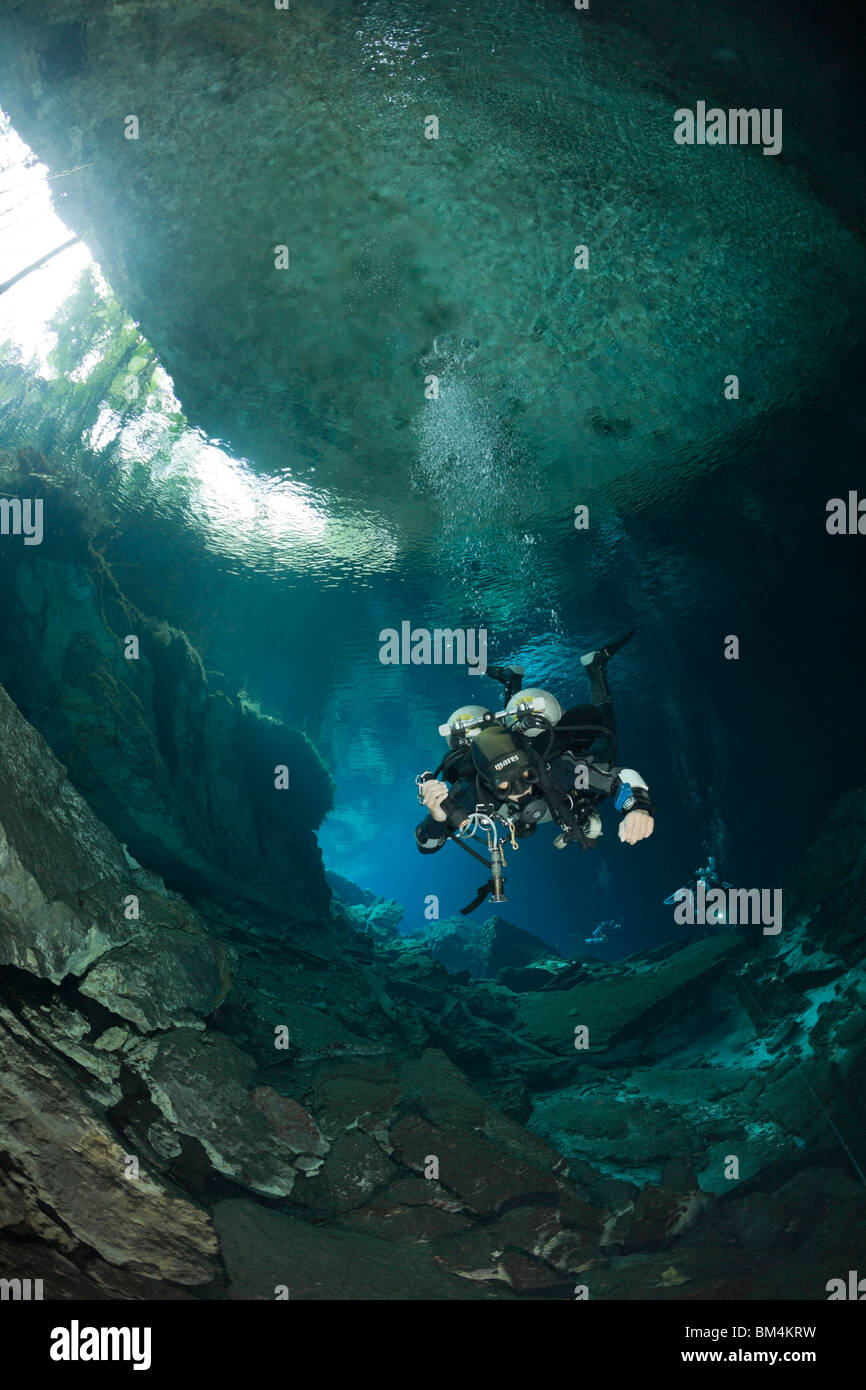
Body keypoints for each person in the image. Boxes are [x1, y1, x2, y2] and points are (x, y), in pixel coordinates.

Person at [415, 630, 655, 855]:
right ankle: (512, 680)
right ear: (487, 782)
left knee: (606, 743)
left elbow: (617, 776)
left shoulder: (558, 769)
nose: (521, 791)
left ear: (533, 763)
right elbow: (427, 844)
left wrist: (637, 807)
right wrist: (437, 816)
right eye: (504, 787)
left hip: (555, 758)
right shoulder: (473, 792)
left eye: (527, 776)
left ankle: (596, 668)